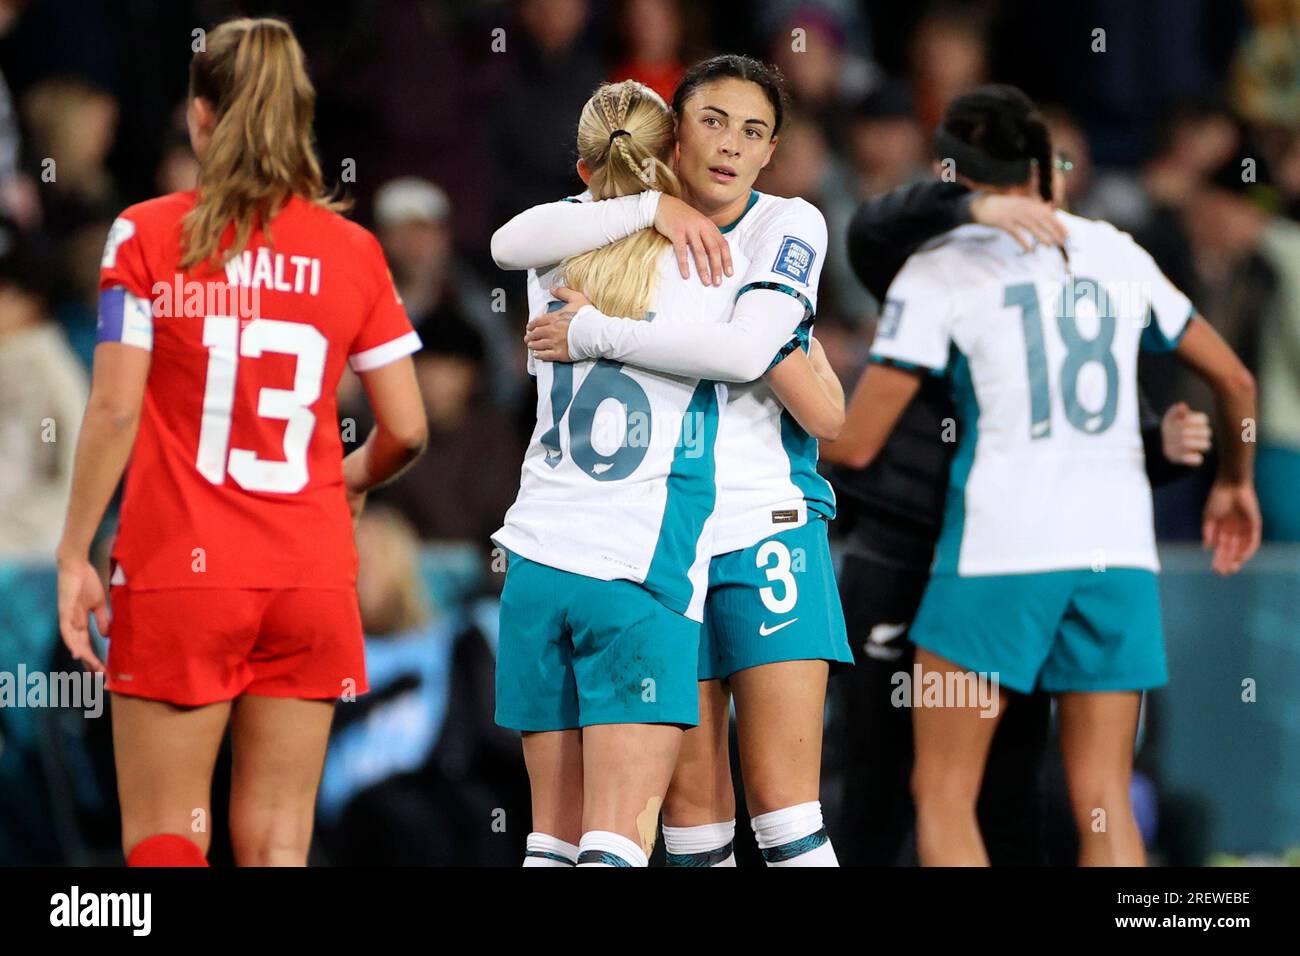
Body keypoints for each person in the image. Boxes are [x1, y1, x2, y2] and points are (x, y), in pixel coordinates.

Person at [823, 84, 1260, 866]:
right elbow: (1237, 384)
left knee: (945, 794)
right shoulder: (1117, 250)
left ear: (951, 172)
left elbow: (856, 445)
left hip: (1001, 553)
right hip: (1119, 557)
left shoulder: (941, 266)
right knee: (1106, 801)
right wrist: (1234, 482)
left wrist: (770, 402)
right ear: (1045, 167)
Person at [55, 17, 427, 867]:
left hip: (181, 575)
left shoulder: (145, 235)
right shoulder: (355, 252)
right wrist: (350, 478)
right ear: (300, 120)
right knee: (277, 849)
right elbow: (406, 429)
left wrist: (75, 552)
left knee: (167, 838)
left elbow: (113, 411)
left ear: (200, 117)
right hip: (308, 575)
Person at [492, 76, 843, 868]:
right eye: (713, 122)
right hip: (660, 546)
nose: (731, 144)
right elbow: (802, 389)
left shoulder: (782, 225)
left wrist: (592, 333)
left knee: (785, 811)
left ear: (773, 151)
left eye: (753, 132)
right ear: (672, 137)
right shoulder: (661, 253)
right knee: (688, 816)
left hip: (754, 527)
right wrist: (653, 215)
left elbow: (826, 416)